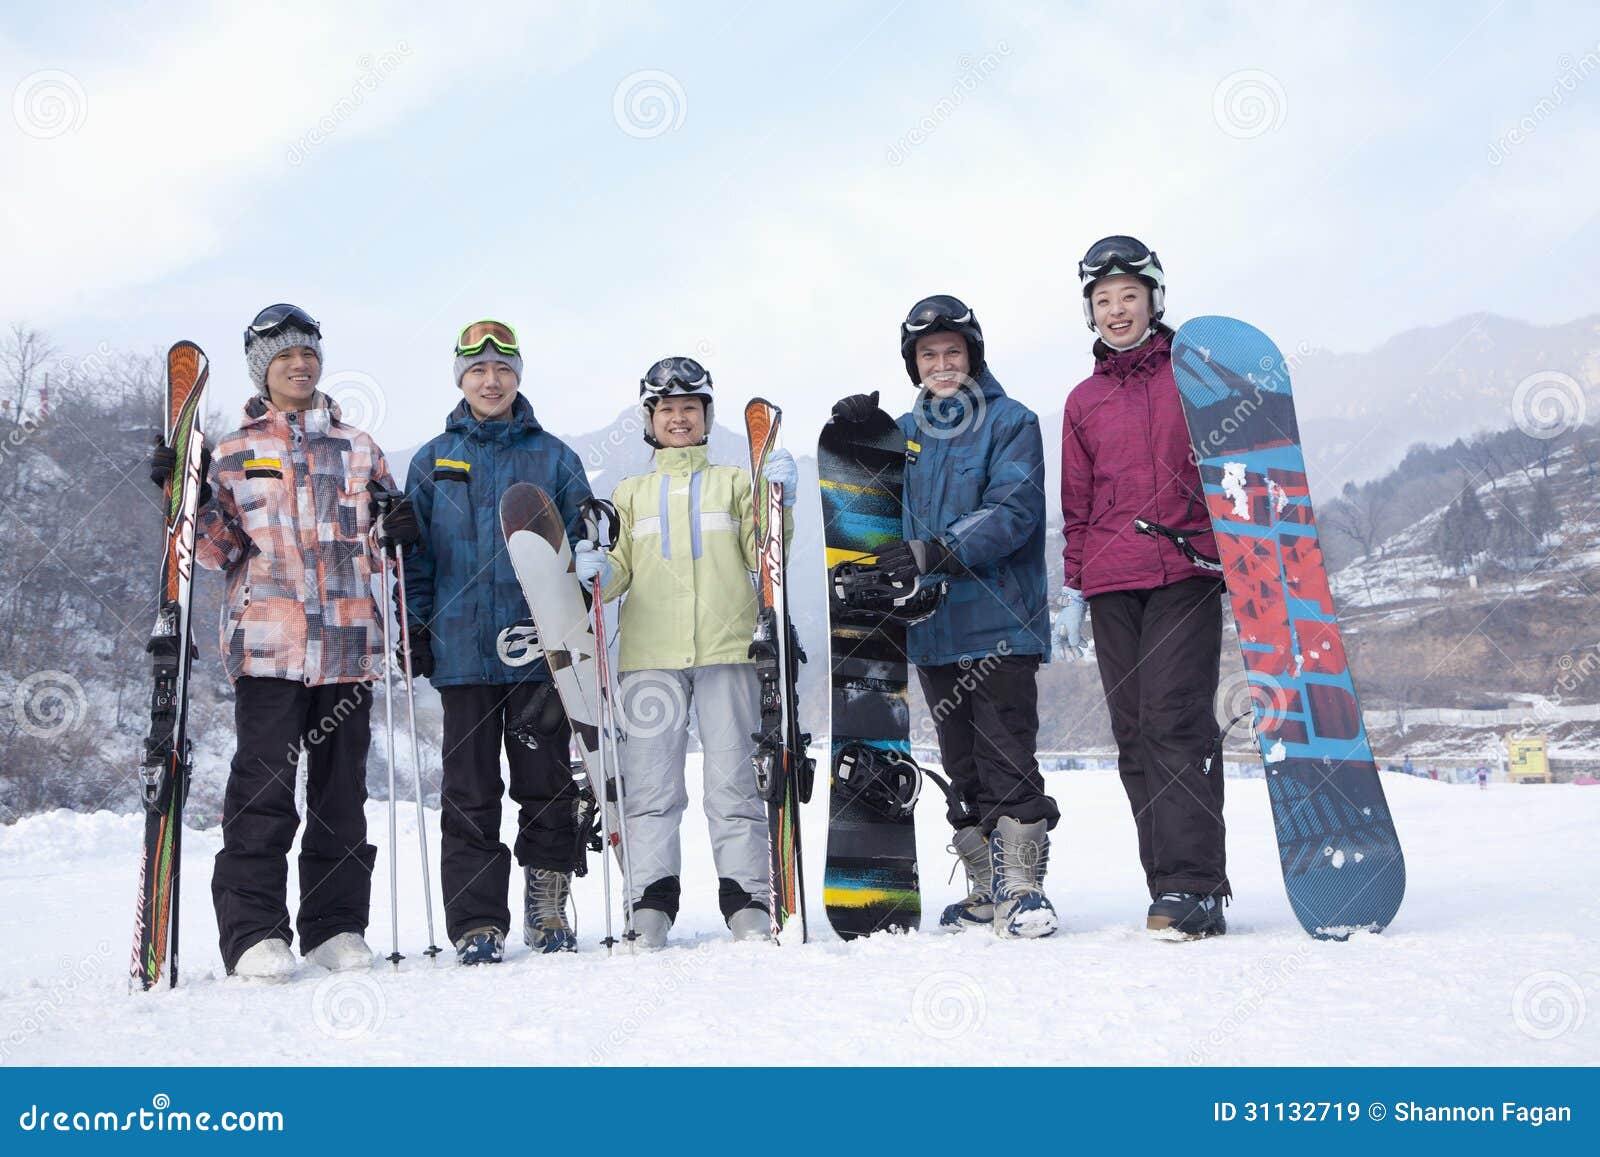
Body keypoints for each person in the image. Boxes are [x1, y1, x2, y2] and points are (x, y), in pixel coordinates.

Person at [151, 303, 417, 981]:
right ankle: (253, 932)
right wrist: (181, 497)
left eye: (308, 353)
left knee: (341, 793)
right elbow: (218, 552)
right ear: (262, 369)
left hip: (350, 644)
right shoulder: (236, 452)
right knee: (263, 790)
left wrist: (400, 526)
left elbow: (391, 550)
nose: (299, 365)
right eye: (284, 356)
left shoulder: (359, 448)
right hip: (270, 646)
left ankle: (334, 928)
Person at [832, 295, 1059, 939]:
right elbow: (871, 504)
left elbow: (1013, 509)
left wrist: (936, 550)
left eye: (952, 352)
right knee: (961, 760)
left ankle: (1025, 890)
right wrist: (859, 437)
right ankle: (987, 889)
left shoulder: (1012, 421)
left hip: (998, 621)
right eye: (927, 355)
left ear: (973, 355)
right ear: (913, 363)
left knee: (1006, 753)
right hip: (931, 628)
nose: (941, 364)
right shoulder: (908, 434)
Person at [574, 356, 796, 950]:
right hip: (649, 657)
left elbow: (763, 556)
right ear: (650, 419)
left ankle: (747, 900)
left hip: (729, 651)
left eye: (689, 409)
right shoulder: (629, 492)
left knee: (733, 782)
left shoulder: (734, 482)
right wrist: (595, 573)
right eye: (667, 409)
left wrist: (779, 502)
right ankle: (649, 903)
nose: (678, 418)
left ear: (706, 417)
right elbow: (618, 572)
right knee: (651, 786)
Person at [401, 320, 592, 965]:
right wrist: (418, 627)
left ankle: (547, 903)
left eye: (503, 370)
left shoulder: (555, 457)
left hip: (540, 651)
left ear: (518, 376)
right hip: (461, 653)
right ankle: (478, 920)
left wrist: (583, 605)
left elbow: (584, 551)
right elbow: (416, 558)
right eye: (478, 370)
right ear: (461, 378)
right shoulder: (433, 459)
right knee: (470, 789)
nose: (491, 380)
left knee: (545, 781)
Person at [1057, 236, 1230, 939]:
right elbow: (1077, 503)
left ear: (1155, 298)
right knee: (1132, 732)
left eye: (1129, 295)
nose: (1117, 310)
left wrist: (1243, 560)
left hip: (1186, 570)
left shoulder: (1194, 376)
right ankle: (1166, 886)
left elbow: (1235, 464)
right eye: (1103, 300)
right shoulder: (1082, 400)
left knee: (1175, 719)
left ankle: (1199, 884)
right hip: (1110, 582)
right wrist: (1073, 587)